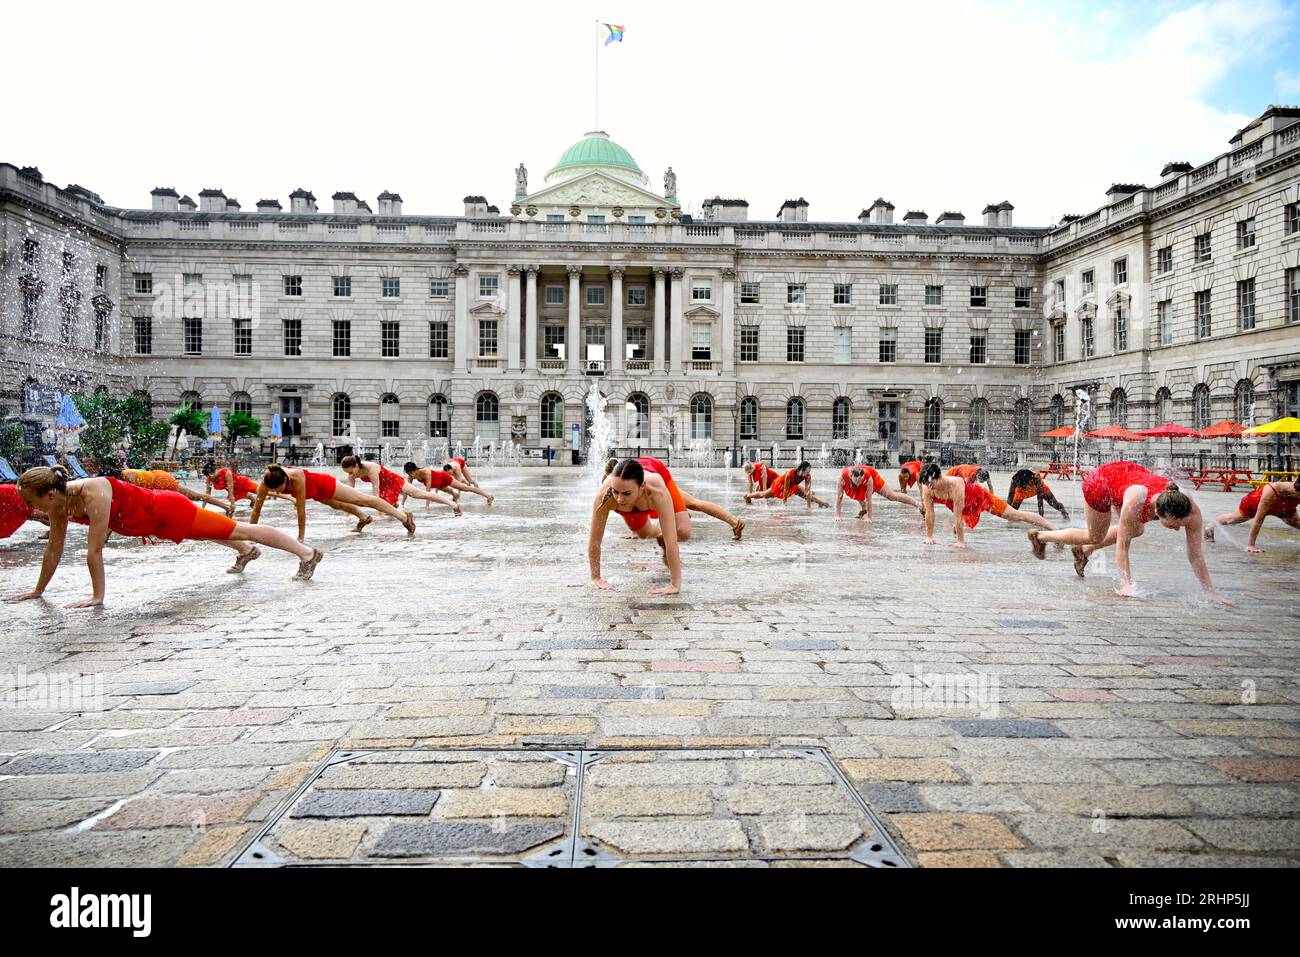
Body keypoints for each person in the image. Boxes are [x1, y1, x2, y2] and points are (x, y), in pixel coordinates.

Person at [3, 466, 323, 608]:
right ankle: (246, 551)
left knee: (240, 528)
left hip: (168, 512)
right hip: (156, 523)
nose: (32, 509)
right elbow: (52, 551)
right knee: (213, 533)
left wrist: (97, 597)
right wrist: (37, 590)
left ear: (48, 493)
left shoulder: (94, 492)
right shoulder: (59, 506)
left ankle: (306, 553)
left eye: (32, 502)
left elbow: (95, 551)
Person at [1028, 460, 1230, 603]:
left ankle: (1083, 551)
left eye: (1181, 524)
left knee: (1138, 529)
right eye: (1174, 525)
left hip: (1128, 475)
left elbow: (1195, 556)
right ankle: (1041, 536)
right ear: (1157, 512)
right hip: (1102, 482)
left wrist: (1209, 591)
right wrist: (1126, 584)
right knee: (1096, 535)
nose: (1178, 529)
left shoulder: (1190, 508)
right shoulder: (1136, 502)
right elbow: (1122, 547)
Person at [587, 457, 692, 596]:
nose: (619, 499)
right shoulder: (604, 497)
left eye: (626, 493)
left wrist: (675, 585)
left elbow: (671, 542)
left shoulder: (658, 492)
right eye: (615, 491)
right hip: (633, 479)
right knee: (643, 533)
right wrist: (596, 577)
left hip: (654, 469)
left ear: (642, 486)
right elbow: (595, 540)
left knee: (683, 532)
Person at [252, 464, 415, 538]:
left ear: (286, 481)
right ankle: (363, 517)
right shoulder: (266, 483)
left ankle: (403, 517)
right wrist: (250, 533)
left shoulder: (297, 477)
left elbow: (301, 510)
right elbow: (256, 510)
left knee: (363, 500)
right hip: (314, 492)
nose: (276, 493)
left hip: (324, 483)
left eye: (279, 489)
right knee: (337, 505)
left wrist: (300, 539)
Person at [918, 463, 1056, 547]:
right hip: (965, 507)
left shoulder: (956, 484)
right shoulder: (927, 487)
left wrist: (961, 542)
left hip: (981, 498)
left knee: (1015, 515)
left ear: (939, 477)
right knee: (955, 526)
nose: (929, 487)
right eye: (926, 483)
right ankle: (956, 534)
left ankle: (1054, 529)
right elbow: (929, 513)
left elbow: (957, 514)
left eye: (931, 483)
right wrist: (929, 536)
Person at [341, 456, 447, 519]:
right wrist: (346, 516)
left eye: (350, 471)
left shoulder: (370, 468)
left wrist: (381, 516)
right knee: (389, 507)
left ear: (356, 466)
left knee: (418, 494)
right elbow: (350, 495)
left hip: (393, 481)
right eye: (347, 473)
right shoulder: (352, 474)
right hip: (384, 487)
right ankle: (395, 506)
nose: (350, 474)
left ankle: (451, 503)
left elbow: (376, 493)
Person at [1209, 480, 1300, 552]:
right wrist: (1251, 545)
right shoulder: (1272, 490)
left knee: (1297, 522)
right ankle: (1210, 526)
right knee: (1232, 519)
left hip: (1286, 504)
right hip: (1255, 503)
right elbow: (1259, 519)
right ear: (1297, 490)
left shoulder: (1295, 491)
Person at [123, 467, 233, 514]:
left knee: (193, 497)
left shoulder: (127, 475)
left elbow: (134, 493)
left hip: (161, 482)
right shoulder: (125, 474)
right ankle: (225, 507)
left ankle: (225, 507)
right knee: (195, 496)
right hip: (159, 478)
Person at [835, 464, 921, 520]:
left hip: (874, 478)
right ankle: (863, 508)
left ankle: (917, 504)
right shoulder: (842, 478)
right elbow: (839, 497)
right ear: (850, 476)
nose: (859, 483)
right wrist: (838, 516)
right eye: (857, 481)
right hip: (852, 482)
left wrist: (869, 518)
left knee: (892, 496)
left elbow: (869, 499)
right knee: (854, 492)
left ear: (862, 476)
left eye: (860, 481)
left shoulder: (868, 477)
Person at [404, 461, 492, 509]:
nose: (411, 475)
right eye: (409, 473)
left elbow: (428, 491)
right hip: (437, 484)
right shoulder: (410, 477)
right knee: (451, 492)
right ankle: (455, 496)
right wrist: (402, 504)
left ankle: (488, 495)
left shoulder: (426, 471)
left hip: (443, 477)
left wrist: (427, 505)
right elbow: (406, 491)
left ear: (416, 469)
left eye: (412, 473)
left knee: (465, 488)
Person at [745, 462, 829, 509]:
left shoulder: (808, 476)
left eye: (809, 471)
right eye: (807, 471)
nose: (808, 473)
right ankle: (748, 496)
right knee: (764, 494)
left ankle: (821, 503)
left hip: (792, 486)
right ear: (801, 470)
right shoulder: (790, 473)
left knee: (803, 494)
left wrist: (809, 508)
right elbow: (785, 489)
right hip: (779, 485)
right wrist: (784, 505)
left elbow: (807, 492)